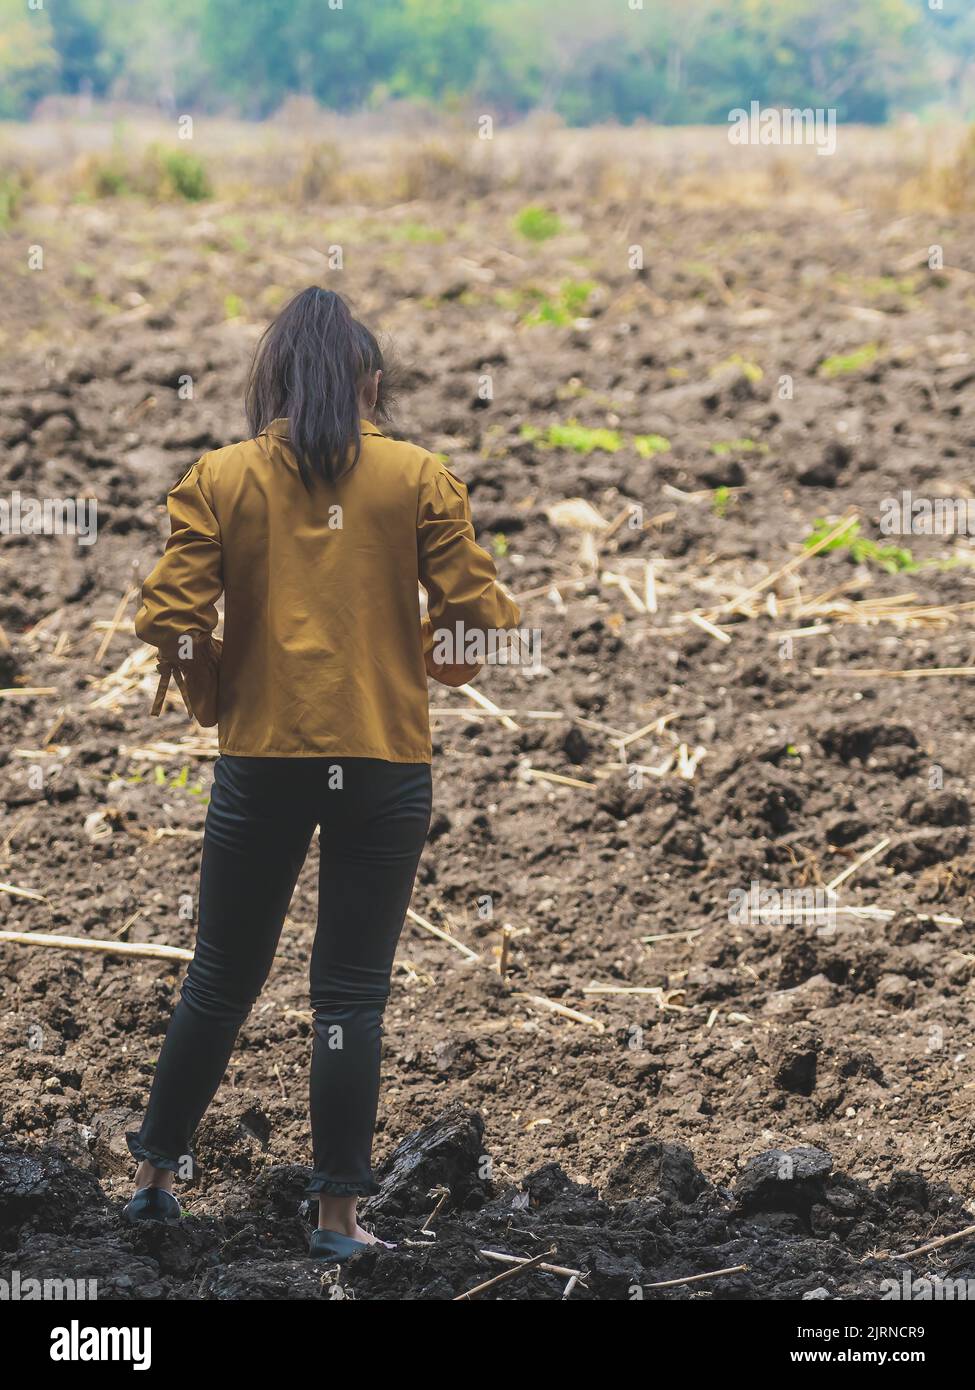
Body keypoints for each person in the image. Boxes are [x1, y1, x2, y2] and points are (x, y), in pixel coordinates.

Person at [122, 286, 520, 1260]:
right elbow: (483, 621)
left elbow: (169, 618)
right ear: (371, 385)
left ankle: (153, 1180)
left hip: (261, 763)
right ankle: (339, 1220)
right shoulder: (419, 476)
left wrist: (213, 691)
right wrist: (420, 666)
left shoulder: (218, 478)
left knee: (218, 977)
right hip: (384, 765)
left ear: (273, 385)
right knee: (348, 998)